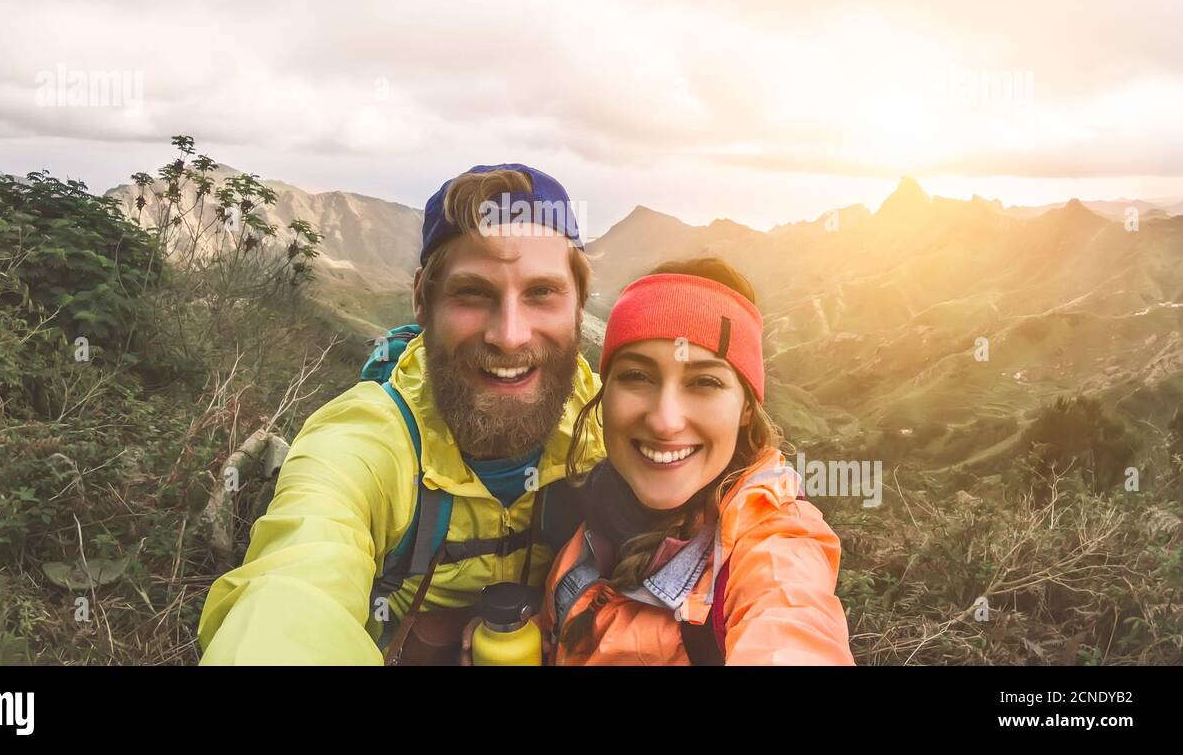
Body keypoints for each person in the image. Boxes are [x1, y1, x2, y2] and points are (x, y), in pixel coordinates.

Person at [197, 163, 604, 664]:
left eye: (542, 293)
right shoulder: (365, 442)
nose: (510, 334)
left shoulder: (613, 432)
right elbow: (291, 589)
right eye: (473, 293)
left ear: (579, 307)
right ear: (421, 299)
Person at [539, 258, 856, 665]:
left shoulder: (772, 539)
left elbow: (791, 623)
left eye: (705, 382)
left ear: (746, 408)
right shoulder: (586, 504)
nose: (665, 421)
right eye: (637, 376)